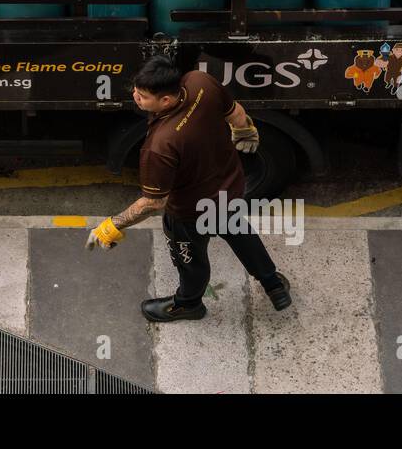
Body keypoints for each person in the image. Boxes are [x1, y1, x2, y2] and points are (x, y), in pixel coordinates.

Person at [86, 55, 293, 322]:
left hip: (190, 212)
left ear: (166, 101)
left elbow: (153, 202)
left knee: (190, 260)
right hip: (229, 189)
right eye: (136, 91)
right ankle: (273, 284)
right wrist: (245, 132)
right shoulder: (200, 82)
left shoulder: (160, 145)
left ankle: (189, 304)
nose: (136, 97)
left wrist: (112, 226)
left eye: (143, 96)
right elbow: (237, 114)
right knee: (241, 234)